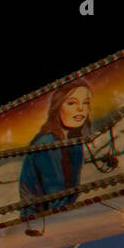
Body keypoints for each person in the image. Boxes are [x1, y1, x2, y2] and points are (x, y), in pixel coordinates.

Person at [18, 81, 93, 234]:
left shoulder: (74, 142)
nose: (80, 109)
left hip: (54, 221)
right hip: (38, 226)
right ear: (57, 107)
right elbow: (57, 197)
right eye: (72, 103)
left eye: (85, 103)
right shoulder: (47, 143)